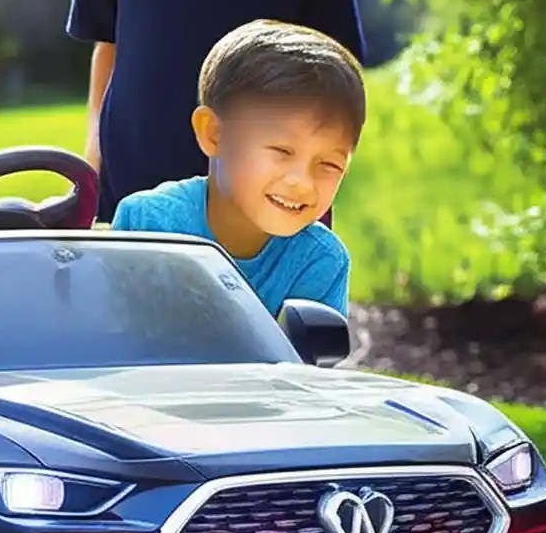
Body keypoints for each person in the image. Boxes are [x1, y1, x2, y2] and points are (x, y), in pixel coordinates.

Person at [66, 0, 366, 224]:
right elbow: (109, 44)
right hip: (129, 197)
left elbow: (333, 72)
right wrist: (91, 175)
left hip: (269, 210)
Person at [110, 19, 365, 318]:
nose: (302, 182)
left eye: (329, 164)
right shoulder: (150, 225)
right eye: (282, 151)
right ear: (214, 134)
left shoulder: (321, 261)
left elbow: (305, 364)